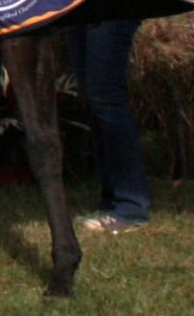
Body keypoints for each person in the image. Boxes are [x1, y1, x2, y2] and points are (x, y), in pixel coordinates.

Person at [65, 17, 151, 233]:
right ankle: (112, 198)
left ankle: (131, 205)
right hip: (81, 1)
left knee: (105, 95)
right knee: (92, 96)